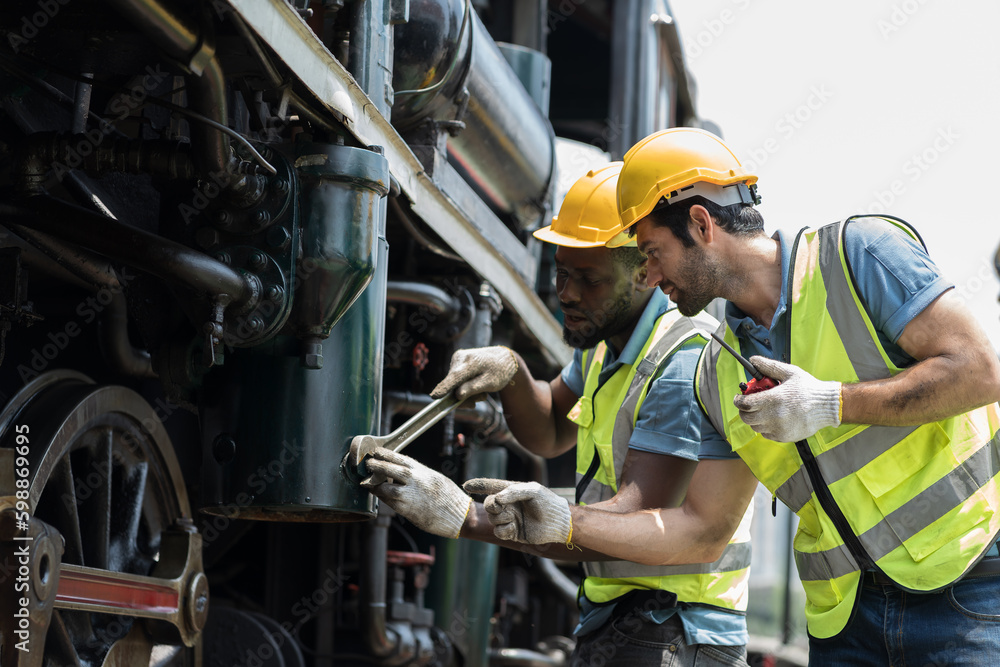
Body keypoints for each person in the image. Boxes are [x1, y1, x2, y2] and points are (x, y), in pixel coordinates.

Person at [475, 127, 1000, 666]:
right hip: (845, 618)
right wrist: (564, 521)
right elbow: (702, 526)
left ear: (701, 224)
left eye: (653, 253)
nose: (650, 277)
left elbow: (980, 370)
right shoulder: (717, 371)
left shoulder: (857, 256)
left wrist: (830, 403)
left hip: (966, 582)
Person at [354, 163, 755, 667]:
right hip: (630, 622)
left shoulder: (677, 361)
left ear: (644, 272)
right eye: (561, 272)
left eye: (587, 279)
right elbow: (548, 430)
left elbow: (633, 523)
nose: (566, 292)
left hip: (676, 630)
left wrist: (467, 517)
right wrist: (513, 372)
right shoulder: (602, 347)